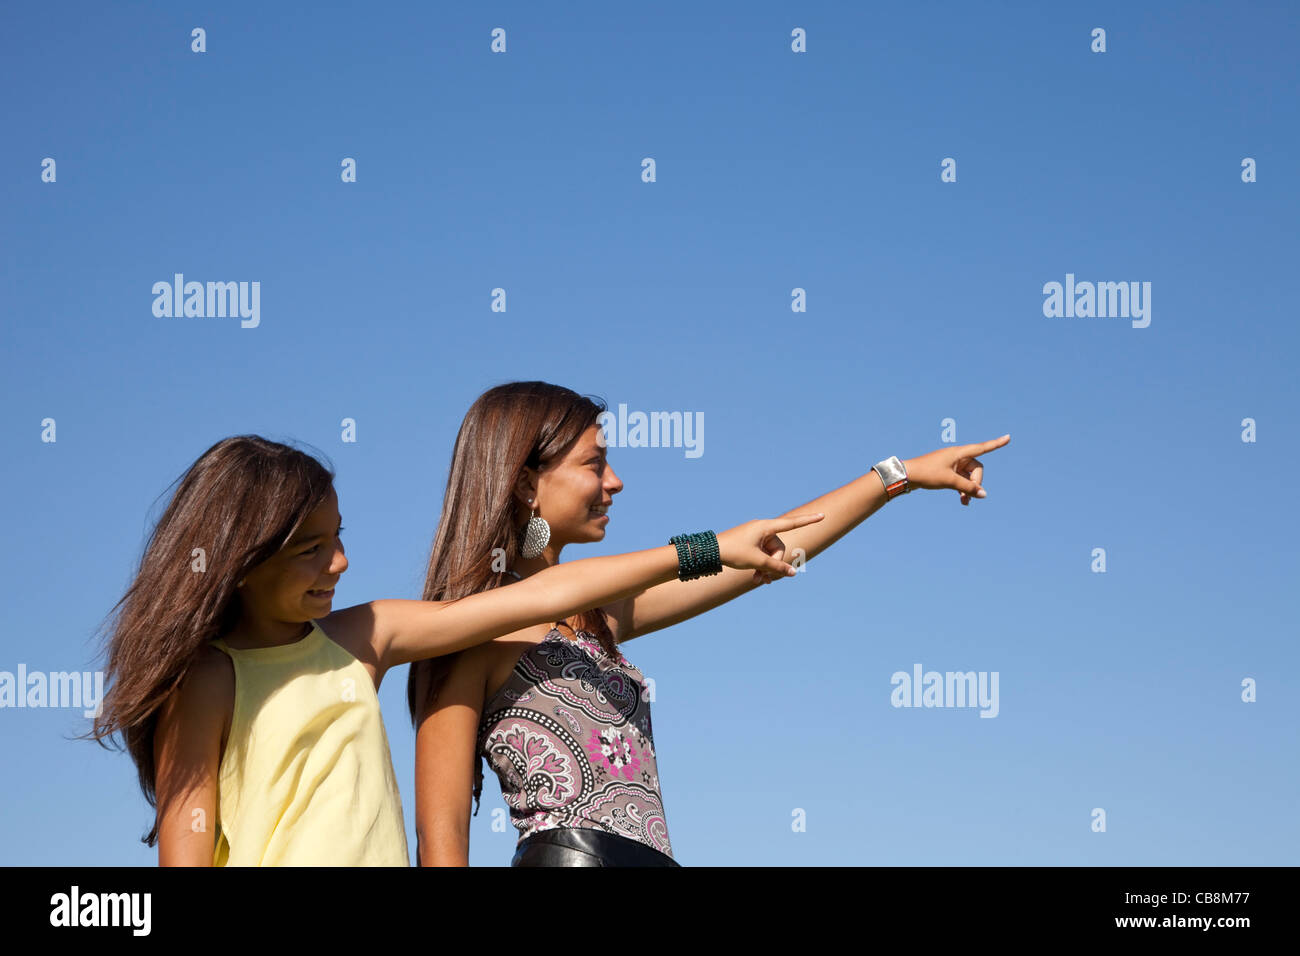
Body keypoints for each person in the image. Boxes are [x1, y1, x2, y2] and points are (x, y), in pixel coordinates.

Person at [86, 434, 819, 865]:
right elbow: (188, 841)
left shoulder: (364, 638)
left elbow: (541, 595)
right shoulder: (211, 678)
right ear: (243, 560)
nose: (338, 563)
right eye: (311, 550)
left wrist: (708, 548)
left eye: (339, 539)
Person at [410, 382, 1008, 866]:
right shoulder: (462, 633)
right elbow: (441, 848)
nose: (614, 481)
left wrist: (895, 476)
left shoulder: (597, 618)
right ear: (524, 485)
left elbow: (765, 559)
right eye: (595, 464)